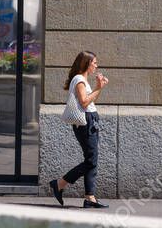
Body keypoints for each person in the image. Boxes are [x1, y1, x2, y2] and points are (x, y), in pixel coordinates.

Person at [50, 51, 109, 208]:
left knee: (92, 160)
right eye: (94, 62)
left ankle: (90, 197)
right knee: (91, 161)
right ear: (87, 63)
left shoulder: (82, 80)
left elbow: (89, 102)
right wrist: (98, 87)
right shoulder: (79, 80)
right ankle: (60, 183)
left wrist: (97, 87)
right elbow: (84, 102)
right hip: (85, 123)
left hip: (90, 121)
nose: (96, 65)